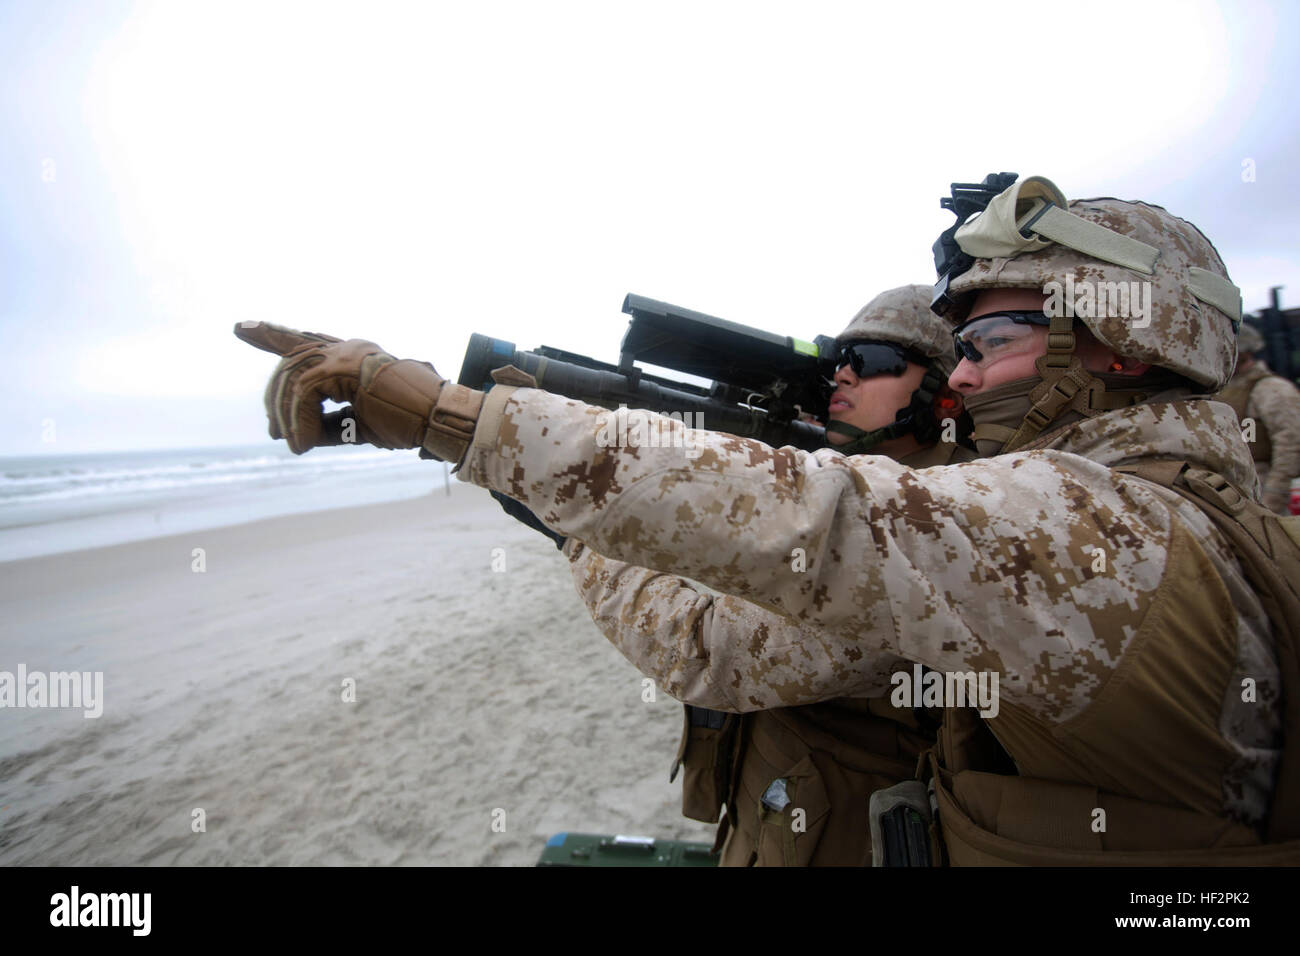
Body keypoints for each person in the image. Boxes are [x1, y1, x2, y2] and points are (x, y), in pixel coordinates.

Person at [235, 174, 1299, 863]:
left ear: (1114, 342)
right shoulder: (1182, 500)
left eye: (989, 343)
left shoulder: (1090, 525)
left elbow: (805, 524)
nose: (963, 378)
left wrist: (450, 419)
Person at [498, 285, 975, 865]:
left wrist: (577, 541)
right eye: (838, 365)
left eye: (873, 362)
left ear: (943, 390)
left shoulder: (932, 530)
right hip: (775, 818)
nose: (842, 379)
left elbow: (703, 650)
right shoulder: (837, 482)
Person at [1216, 322, 1300, 514]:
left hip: (1262, 495)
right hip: (1234, 497)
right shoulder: (1220, 390)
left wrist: (1272, 502)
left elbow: (1291, 447)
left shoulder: (1271, 389)